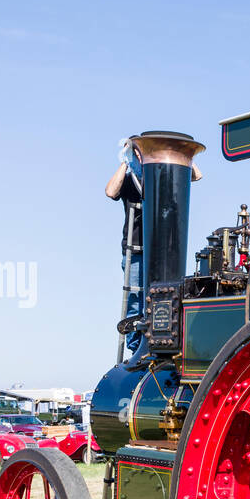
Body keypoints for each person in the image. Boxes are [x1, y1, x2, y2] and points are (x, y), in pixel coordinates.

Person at [105, 139, 144, 356]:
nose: (140, 156)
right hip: (134, 249)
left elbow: (196, 175)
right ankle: (134, 349)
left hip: (161, 252)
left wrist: (183, 154)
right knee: (135, 302)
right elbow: (110, 191)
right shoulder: (129, 180)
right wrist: (125, 162)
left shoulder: (158, 178)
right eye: (137, 153)